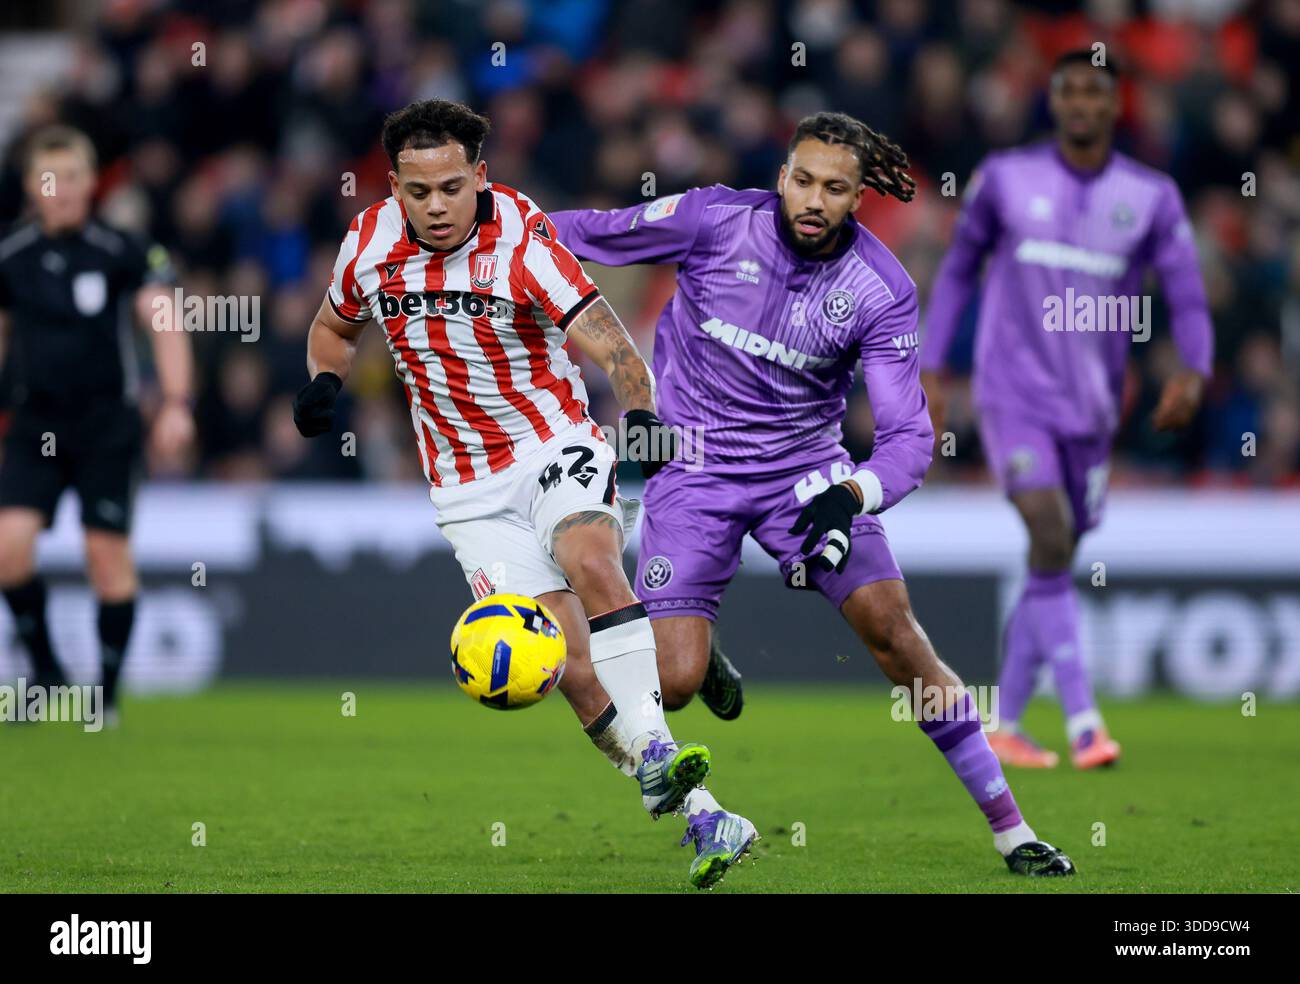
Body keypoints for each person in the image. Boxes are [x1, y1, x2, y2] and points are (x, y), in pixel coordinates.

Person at [551, 111, 1075, 877]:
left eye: (835, 188)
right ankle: (708, 653)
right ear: (781, 177)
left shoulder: (880, 290)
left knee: (897, 635)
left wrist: (854, 494)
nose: (814, 199)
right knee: (672, 682)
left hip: (804, 475)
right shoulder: (711, 220)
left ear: (858, 197)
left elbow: (909, 438)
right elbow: (584, 232)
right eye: (803, 180)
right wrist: (488, 228)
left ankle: (1012, 829)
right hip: (689, 467)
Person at [291, 99, 755, 890]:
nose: (434, 207)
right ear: (393, 186)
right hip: (465, 487)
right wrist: (324, 383)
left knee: (591, 559)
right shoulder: (366, 245)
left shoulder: (523, 239)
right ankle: (705, 810)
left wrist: (640, 418)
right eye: (415, 191)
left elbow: (613, 344)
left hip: (551, 441)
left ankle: (661, 752)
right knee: (567, 668)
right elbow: (332, 330)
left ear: (480, 175)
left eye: (449, 187)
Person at [920, 51, 1213, 770]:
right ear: (1053, 102)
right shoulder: (1006, 180)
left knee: (1053, 556)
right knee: (1049, 533)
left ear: (1116, 106)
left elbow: (1185, 294)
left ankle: (1008, 724)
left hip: (1094, 408)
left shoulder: (1150, 197)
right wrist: (932, 365)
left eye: (1096, 91)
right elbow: (958, 269)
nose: (1082, 101)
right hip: (1012, 394)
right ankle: (1085, 722)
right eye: (1070, 90)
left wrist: (1195, 372)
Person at [0, 125, 194, 725]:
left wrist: (177, 402)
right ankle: (49, 676)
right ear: (32, 187)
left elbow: (162, 320)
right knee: (8, 550)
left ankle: (104, 697)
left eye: (74, 179)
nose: (61, 192)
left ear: (92, 184)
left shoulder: (124, 249)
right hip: (35, 424)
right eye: (48, 181)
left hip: (106, 423)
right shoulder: (11, 255)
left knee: (104, 555)